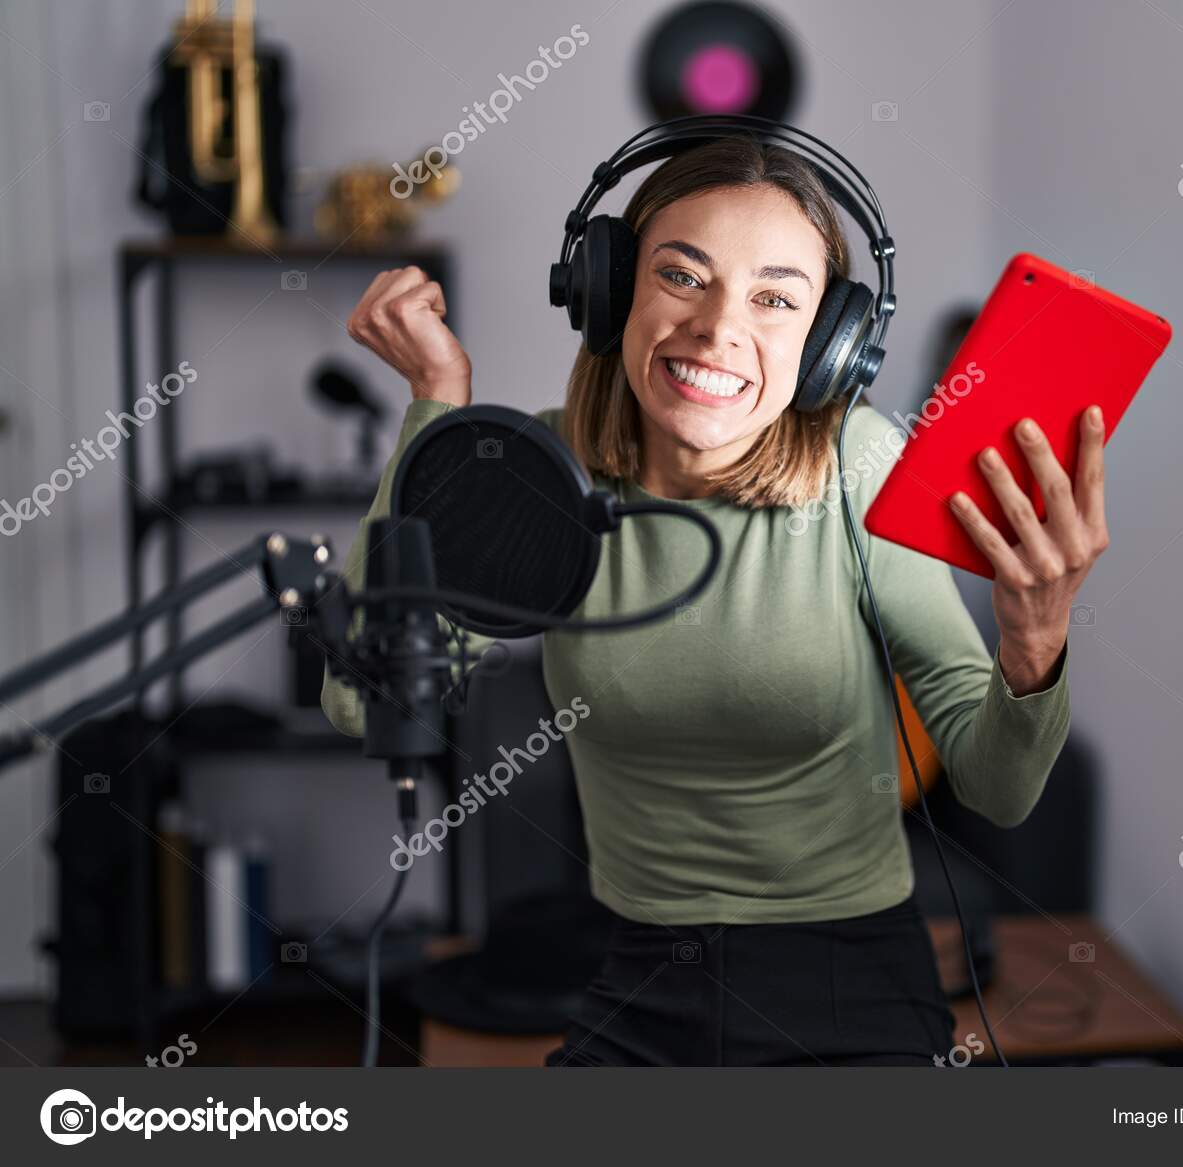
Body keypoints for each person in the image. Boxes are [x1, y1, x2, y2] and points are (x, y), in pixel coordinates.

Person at [321, 133, 1108, 1066]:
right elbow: (369, 700)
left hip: (851, 976)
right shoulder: (543, 472)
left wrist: (1034, 639)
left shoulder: (856, 467)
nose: (718, 327)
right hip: (638, 967)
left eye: (776, 298)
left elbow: (1000, 789)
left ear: (829, 346)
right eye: (683, 276)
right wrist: (436, 412)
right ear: (611, 291)